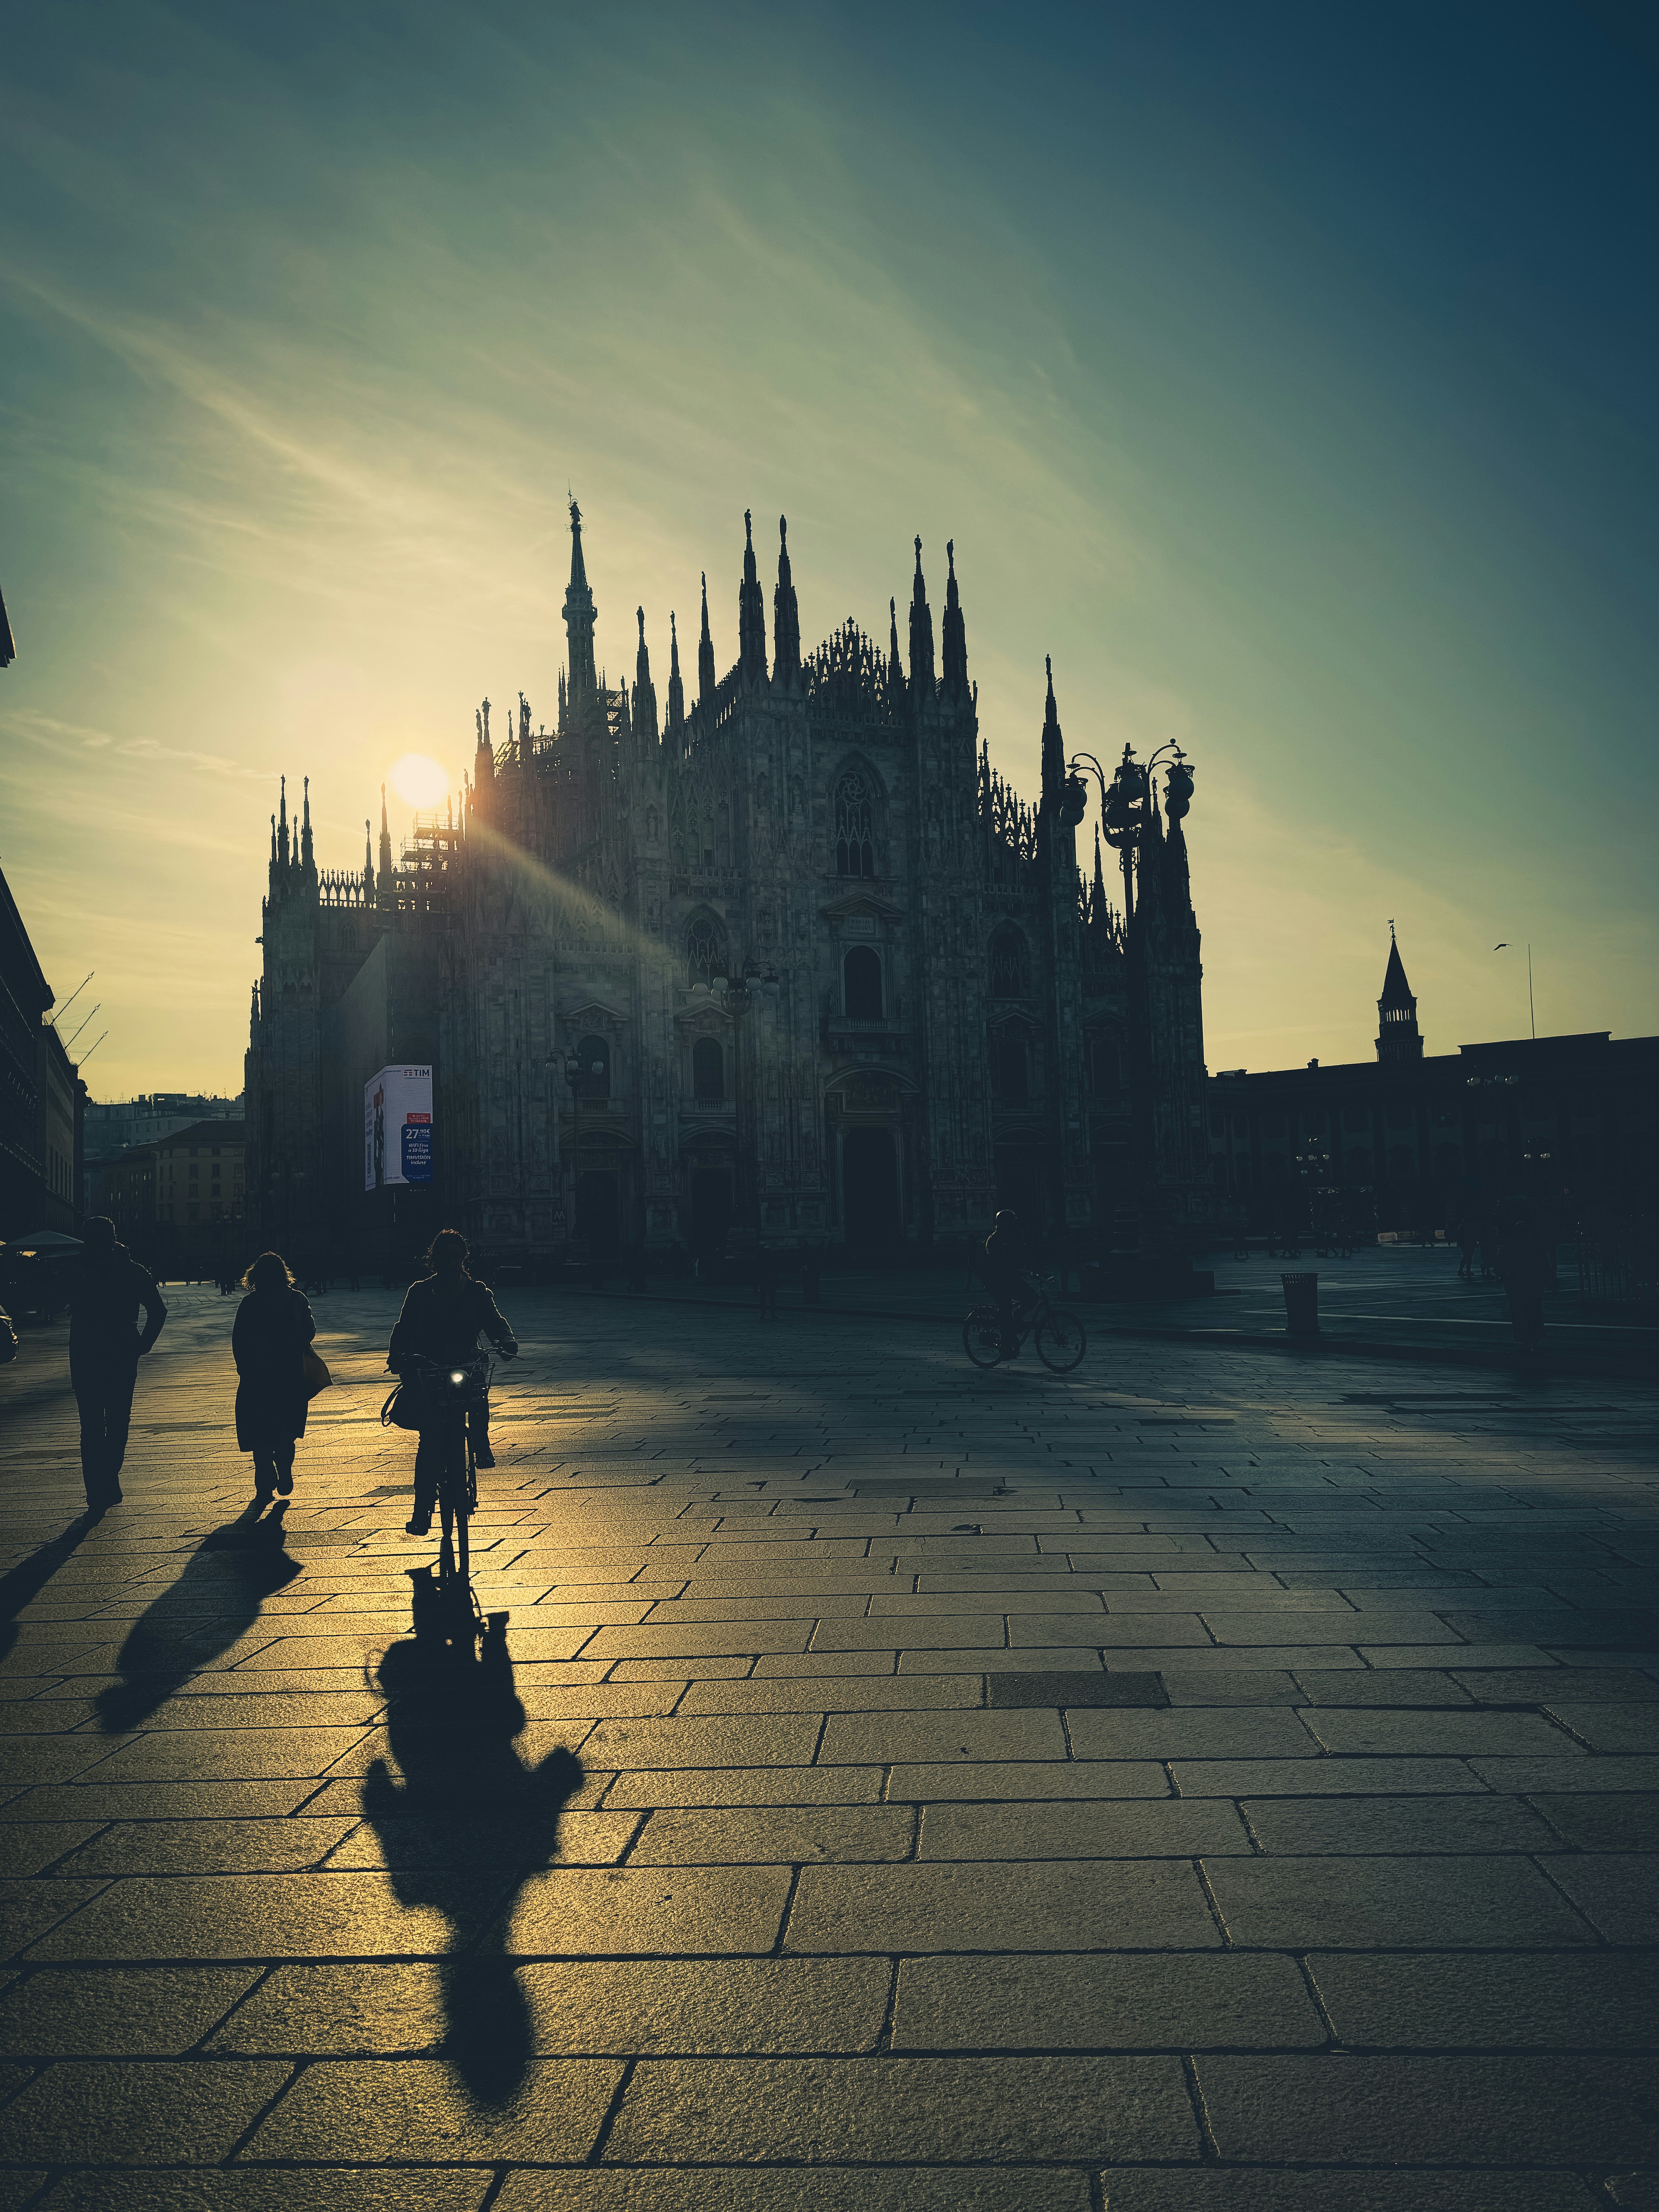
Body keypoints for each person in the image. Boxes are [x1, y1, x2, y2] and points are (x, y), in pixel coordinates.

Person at [388, 1230, 517, 1534]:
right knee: (430, 1440)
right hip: (430, 1368)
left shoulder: (477, 1291)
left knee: (478, 1394)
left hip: (466, 1363)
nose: (450, 1262)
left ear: (463, 1258)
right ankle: (422, 1510)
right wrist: (398, 1357)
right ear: (433, 1260)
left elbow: (495, 1322)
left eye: (455, 1256)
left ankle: (482, 1444)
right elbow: (403, 1328)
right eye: (443, 1256)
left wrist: (506, 1341)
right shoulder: (421, 1291)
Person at [68, 1217, 167, 1512]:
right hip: (119, 1353)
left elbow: (158, 1310)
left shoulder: (76, 1269)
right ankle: (105, 1481)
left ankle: (99, 1486)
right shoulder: (131, 1270)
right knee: (116, 1423)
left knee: (93, 1426)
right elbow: (158, 1311)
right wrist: (142, 1344)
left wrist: (141, 1345)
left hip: (88, 1352)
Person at [233, 1252, 316, 1504]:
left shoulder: (249, 1304)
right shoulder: (297, 1300)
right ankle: (284, 1468)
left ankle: (263, 1479)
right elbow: (309, 1332)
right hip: (289, 1376)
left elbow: (239, 1340)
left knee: (260, 1431)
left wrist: (244, 1369)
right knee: (286, 1429)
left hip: (257, 1377)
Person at [983, 1208, 1031, 1359]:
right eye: (1011, 1221)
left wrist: (1042, 1272)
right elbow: (998, 1264)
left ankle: (1014, 1324)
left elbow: (1025, 1256)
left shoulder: (1012, 1237)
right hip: (996, 1282)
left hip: (1010, 1279)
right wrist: (1017, 1269)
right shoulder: (994, 1240)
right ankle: (1005, 1348)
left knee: (1032, 1298)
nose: (1014, 1224)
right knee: (1005, 1310)